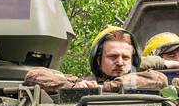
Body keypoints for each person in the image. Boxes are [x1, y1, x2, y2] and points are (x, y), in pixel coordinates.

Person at [24, 25, 167, 94]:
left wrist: (104, 88)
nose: (120, 62)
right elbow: (33, 75)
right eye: (112, 56)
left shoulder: (142, 80)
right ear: (98, 60)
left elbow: (160, 79)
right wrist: (73, 87)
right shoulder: (84, 82)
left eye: (125, 57)